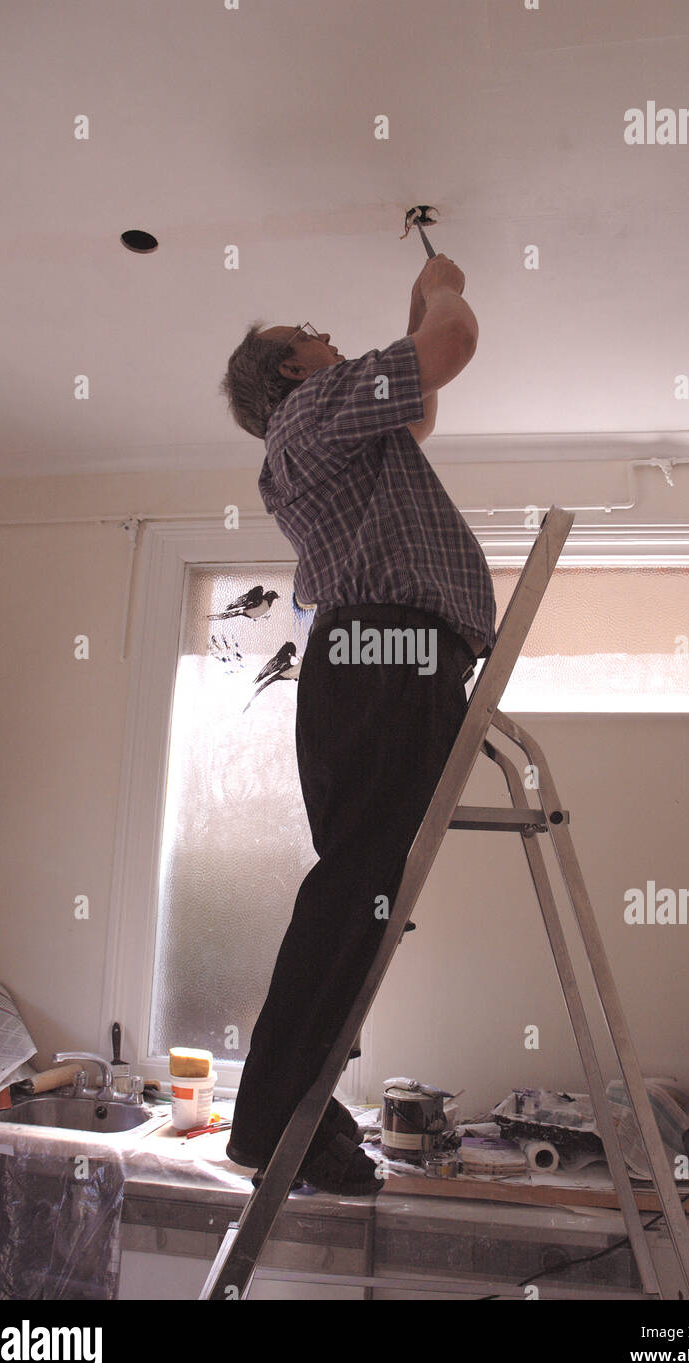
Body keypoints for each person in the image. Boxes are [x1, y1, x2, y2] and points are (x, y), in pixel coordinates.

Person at [218, 254, 496, 1194]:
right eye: (312, 334)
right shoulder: (315, 409)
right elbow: (451, 346)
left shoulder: (330, 425)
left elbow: (416, 406)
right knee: (356, 891)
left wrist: (416, 302)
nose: (329, 337)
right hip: (389, 657)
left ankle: (299, 1115)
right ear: (293, 369)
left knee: (361, 892)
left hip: (381, 659)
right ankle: (273, 1116)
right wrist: (446, 289)